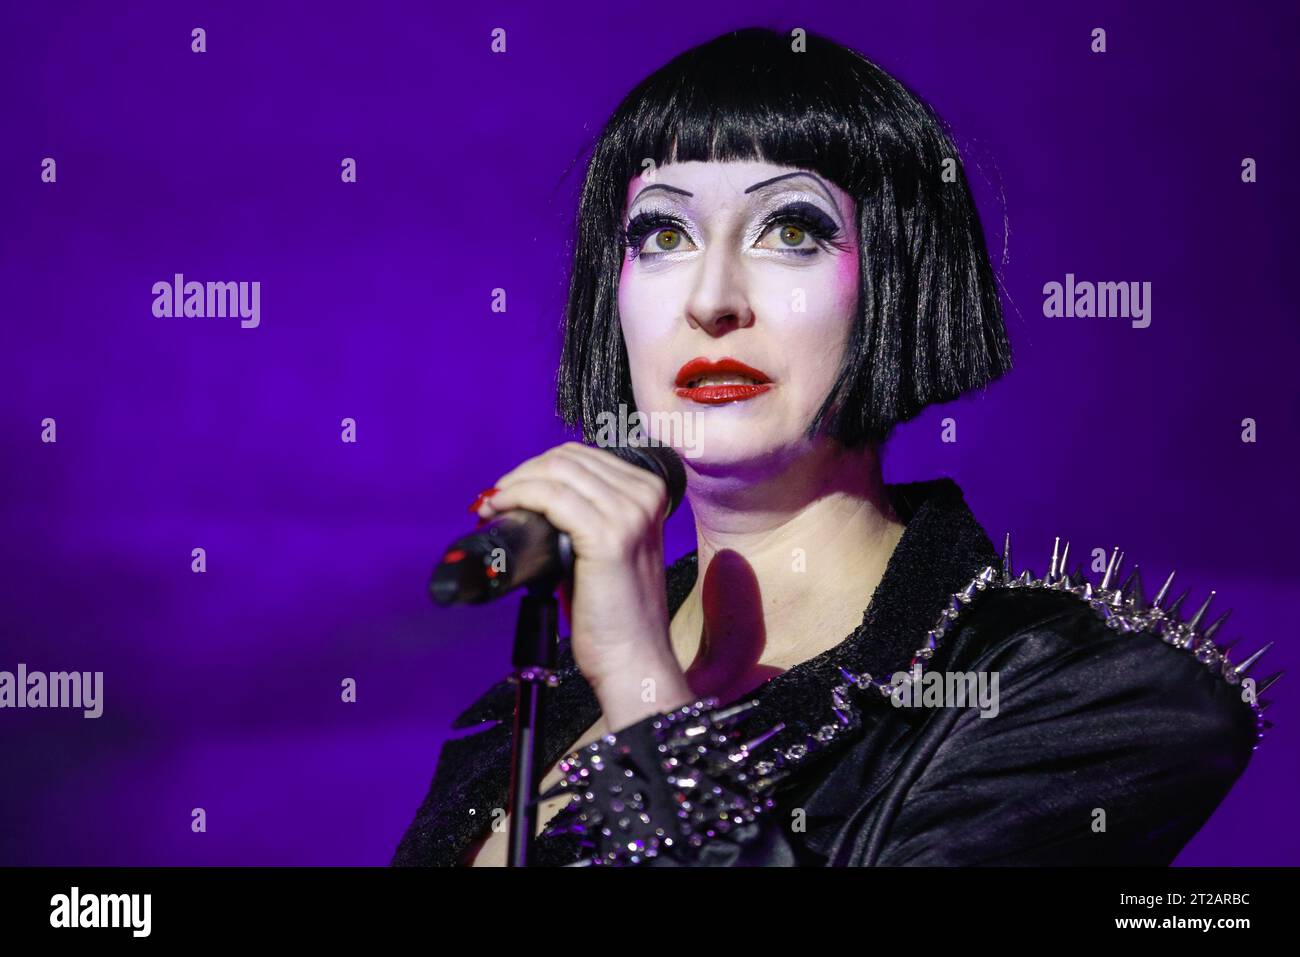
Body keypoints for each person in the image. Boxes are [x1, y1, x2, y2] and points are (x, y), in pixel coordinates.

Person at [392, 27, 1274, 867]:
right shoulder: (527, 707)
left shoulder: (1089, 688)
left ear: (897, 280)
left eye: (792, 230)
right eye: (663, 234)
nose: (712, 298)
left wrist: (641, 684)